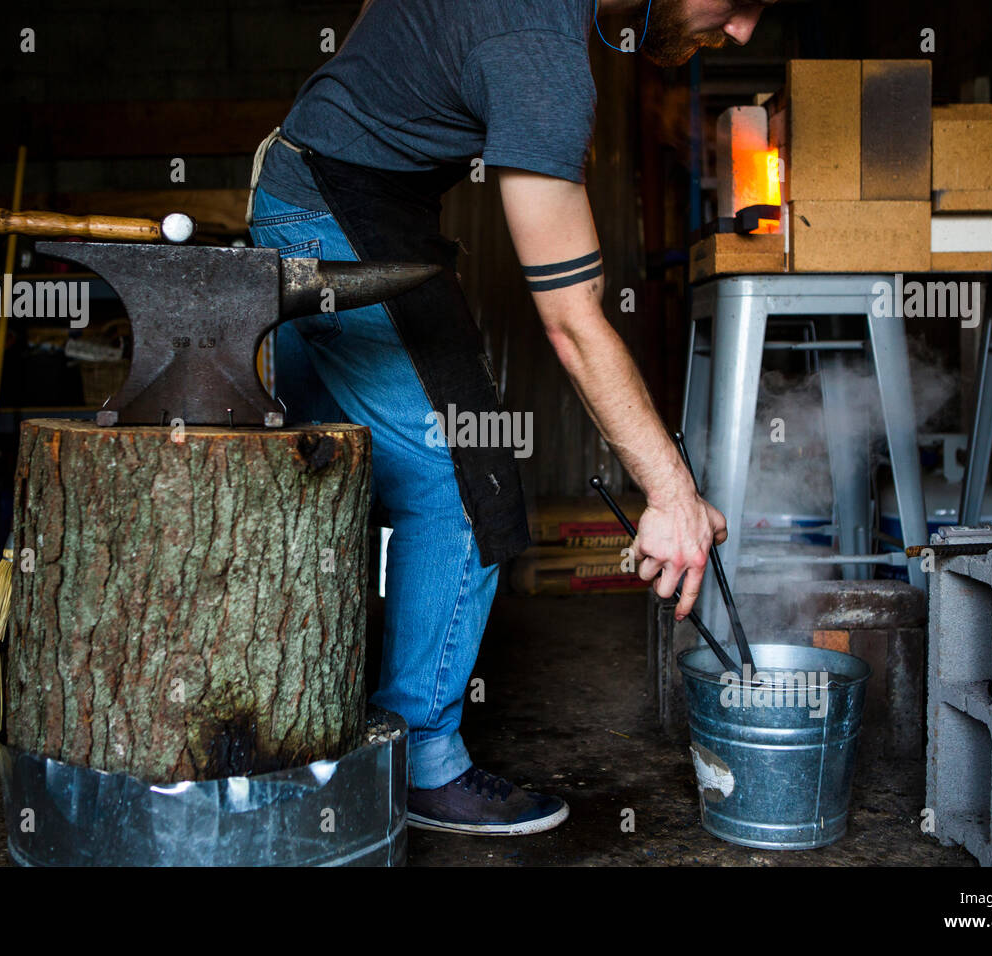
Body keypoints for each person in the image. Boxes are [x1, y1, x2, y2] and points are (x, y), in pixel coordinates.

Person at [248, 0, 771, 836]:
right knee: (467, 482)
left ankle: (303, 745)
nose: (743, 29)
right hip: (335, 221)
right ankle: (420, 760)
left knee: (322, 481)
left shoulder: (542, 32)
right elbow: (571, 321)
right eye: (741, 3)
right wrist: (672, 494)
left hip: (309, 194)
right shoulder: (539, 51)